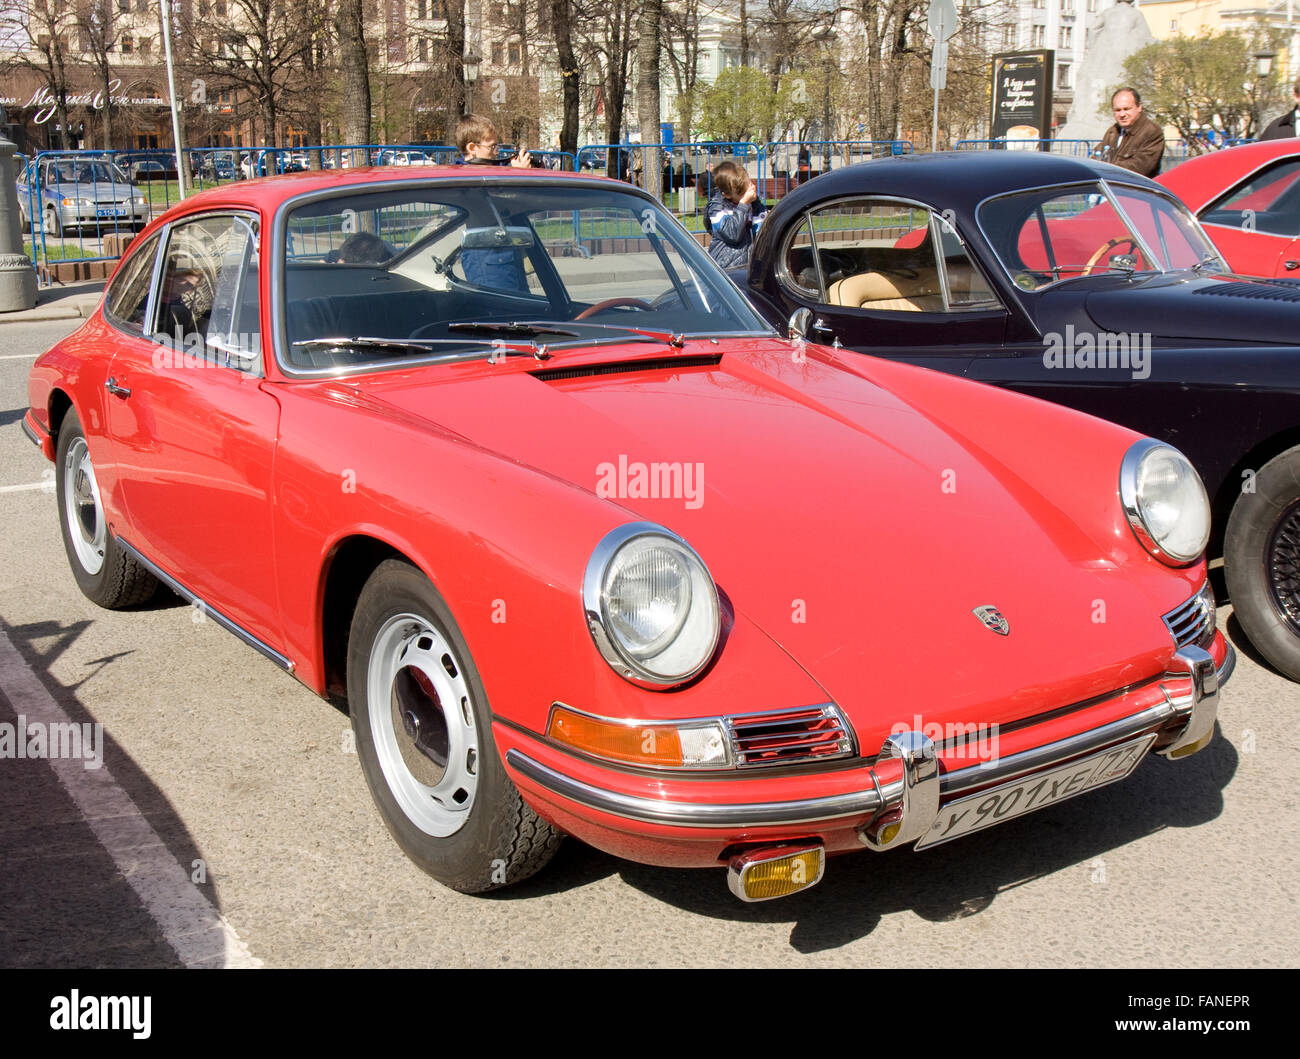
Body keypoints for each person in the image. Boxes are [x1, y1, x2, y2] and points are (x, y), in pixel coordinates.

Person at [454, 114, 530, 290]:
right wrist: (517, 176)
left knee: (521, 309)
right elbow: (500, 203)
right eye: (492, 147)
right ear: (472, 147)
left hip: (502, 252)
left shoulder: (487, 172)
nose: (497, 152)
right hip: (487, 256)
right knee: (502, 312)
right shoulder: (466, 176)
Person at [705, 161, 767, 269]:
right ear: (727, 195)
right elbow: (732, 235)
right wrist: (743, 204)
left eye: (748, 186)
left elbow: (763, 236)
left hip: (750, 267)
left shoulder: (755, 206)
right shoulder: (717, 208)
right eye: (741, 193)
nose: (748, 193)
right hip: (726, 267)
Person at [1092, 88, 1165, 177]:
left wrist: (1106, 168)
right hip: (1111, 185)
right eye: (1117, 110)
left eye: (1127, 109)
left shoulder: (1152, 132)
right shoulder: (1113, 131)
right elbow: (1097, 157)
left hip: (1136, 187)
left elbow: (1140, 167)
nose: (1122, 114)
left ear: (1139, 107)